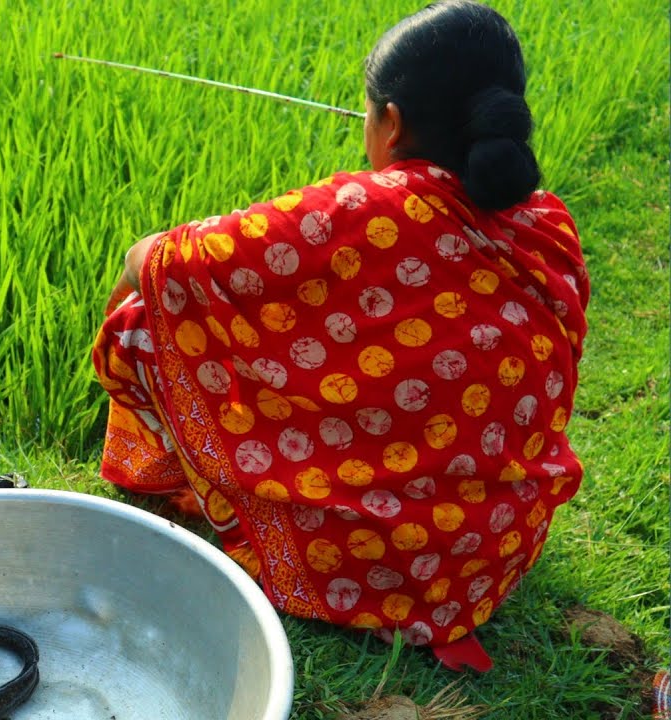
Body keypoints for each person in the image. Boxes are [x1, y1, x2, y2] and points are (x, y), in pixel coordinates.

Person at [92, 0, 588, 672]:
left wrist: (136, 273)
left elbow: (156, 262)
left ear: (390, 122)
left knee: (143, 324)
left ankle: (180, 487)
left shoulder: (361, 211)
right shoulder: (547, 225)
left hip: (373, 567)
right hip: (487, 557)